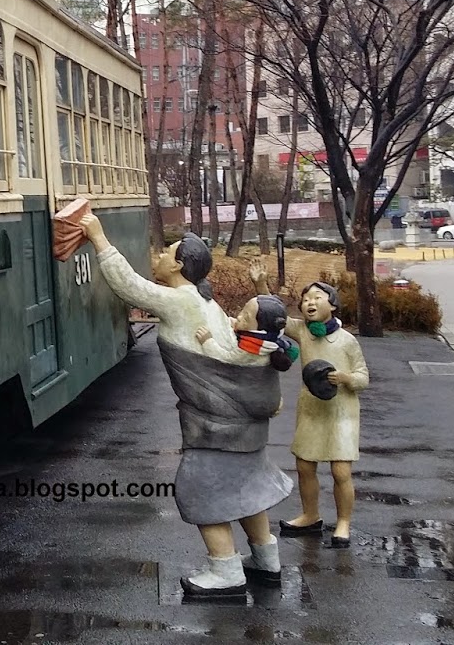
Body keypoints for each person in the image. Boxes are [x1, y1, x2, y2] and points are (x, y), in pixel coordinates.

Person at [71, 209, 292, 598]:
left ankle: (225, 571)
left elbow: (132, 288)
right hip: (245, 426)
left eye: (165, 251)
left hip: (215, 425)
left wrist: (99, 239)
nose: (157, 255)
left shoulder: (183, 302)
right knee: (246, 487)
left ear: (179, 265)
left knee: (203, 490)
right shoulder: (208, 306)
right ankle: (265, 558)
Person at [251, 267, 370, 548]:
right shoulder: (303, 331)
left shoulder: (347, 341)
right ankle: (310, 514)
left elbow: (364, 377)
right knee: (305, 466)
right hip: (311, 408)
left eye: (317, 297)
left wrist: (346, 378)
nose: (310, 303)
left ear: (333, 304)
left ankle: (343, 523)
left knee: (341, 471)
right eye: (305, 299)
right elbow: (274, 316)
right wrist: (261, 283)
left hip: (341, 412)